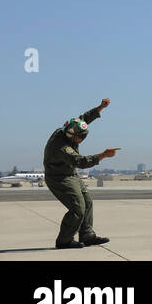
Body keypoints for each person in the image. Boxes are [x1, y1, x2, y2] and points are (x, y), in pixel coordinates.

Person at [43, 98, 120, 249]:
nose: (82, 140)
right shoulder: (62, 148)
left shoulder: (67, 130)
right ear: (73, 135)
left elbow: (83, 119)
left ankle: (87, 235)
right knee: (77, 208)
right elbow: (81, 162)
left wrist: (100, 108)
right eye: (82, 137)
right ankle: (64, 241)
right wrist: (103, 155)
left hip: (69, 173)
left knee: (87, 202)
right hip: (59, 178)